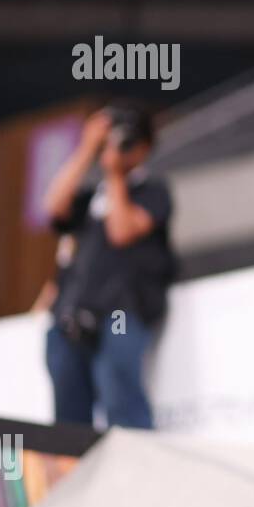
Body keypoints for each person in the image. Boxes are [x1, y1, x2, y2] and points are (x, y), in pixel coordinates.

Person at [41, 103, 176, 430]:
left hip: (122, 312)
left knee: (121, 398)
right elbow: (52, 207)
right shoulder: (90, 198)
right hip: (72, 318)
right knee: (68, 424)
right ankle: (75, 478)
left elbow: (122, 231)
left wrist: (115, 173)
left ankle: (134, 477)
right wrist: (87, 148)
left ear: (144, 148)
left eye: (126, 140)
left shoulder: (153, 191)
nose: (116, 147)